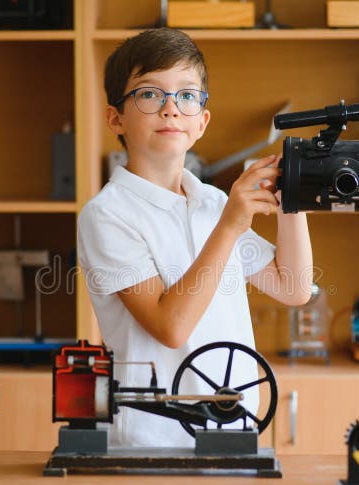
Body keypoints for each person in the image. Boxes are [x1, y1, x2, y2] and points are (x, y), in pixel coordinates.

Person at [77, 27, 313, 447]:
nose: (171, 109)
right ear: (115, 118)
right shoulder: (107, 215)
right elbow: (171, 327)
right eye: (150, 94)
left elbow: (292, 288)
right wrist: (230, 225)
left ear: (201, 121)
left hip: (234, 429)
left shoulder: (212, 202)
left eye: (186, 95)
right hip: (154, 441)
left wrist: (292, 199)